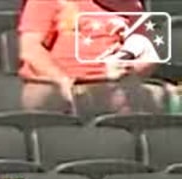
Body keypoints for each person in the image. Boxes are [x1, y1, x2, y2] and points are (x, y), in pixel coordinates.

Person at [17, 0, 162, 112]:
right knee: (44, 96)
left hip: (112, 82)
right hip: (57, 83)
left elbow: (146, 54)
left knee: (156, 95)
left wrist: (131, 68)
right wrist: (62, 80)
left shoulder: (131, 6)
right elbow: (30, 49)